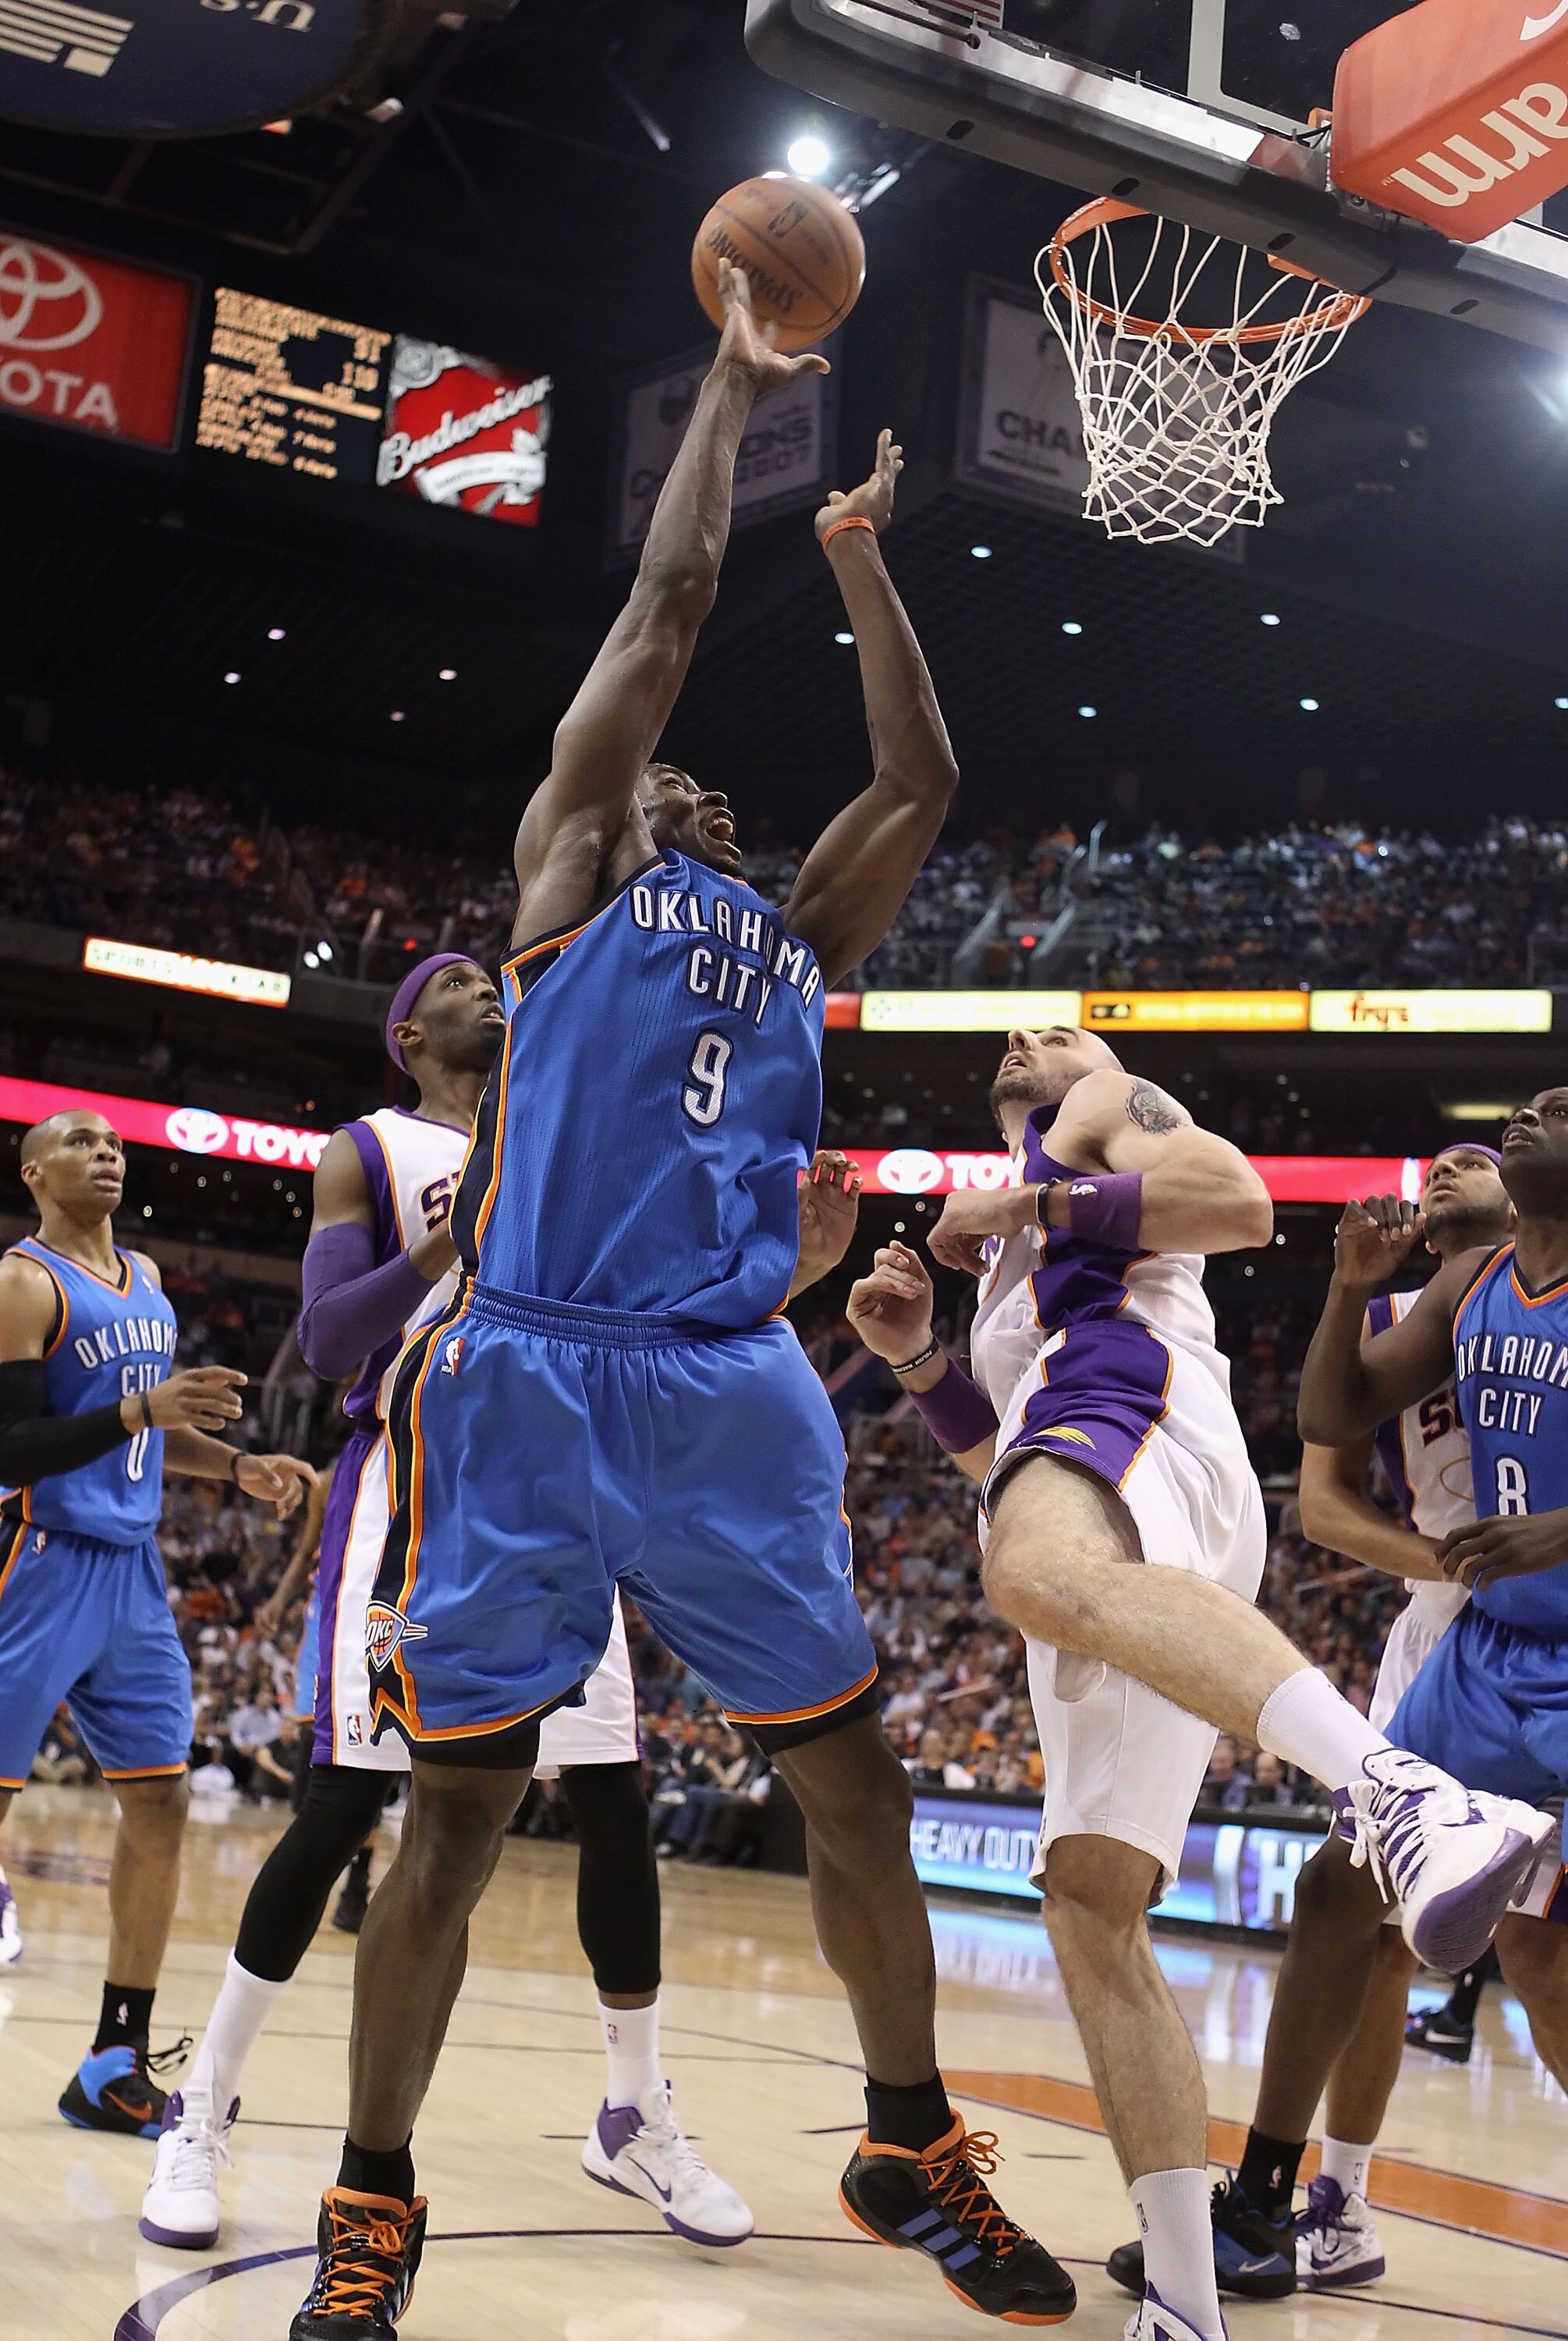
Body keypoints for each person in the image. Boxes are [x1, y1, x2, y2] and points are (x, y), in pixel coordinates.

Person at [293, 264, 1074, 2341]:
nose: (695, 787)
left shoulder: (799, 933)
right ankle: (373, 2198)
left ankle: (905, 2140)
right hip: (529, 1374)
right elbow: (662, 612)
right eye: (668, 783)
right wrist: (737, 397)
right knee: (458, 1816)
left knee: (856, 1788)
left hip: (729, 1386)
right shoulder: (569, 884)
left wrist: (862, 554)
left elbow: (919, 781)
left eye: (710, 793)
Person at [845, 1027, 1554, 2341]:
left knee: (1029, 1569)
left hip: (1137, 1409)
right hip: (1104, 1475)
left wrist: (1028, 1202)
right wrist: (917, 1362)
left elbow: (1236, 1203)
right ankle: (1184, 2302)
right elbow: (1009, 1466)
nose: (1027, 1037)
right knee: (1089, 1905)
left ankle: (1403, 1793)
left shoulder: (1103, 1105)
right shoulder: (1014, 1253)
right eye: (1020, 1034)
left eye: (1057, 1028)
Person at [145, 957, 864, 2252]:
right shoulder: (370, 1149)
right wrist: (459, 1220)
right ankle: (205, 2106)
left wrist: (791, 1278)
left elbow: (664, 1315)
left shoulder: (574, 1128)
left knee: (613, 1794)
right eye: (457, 981)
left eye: (497, 974)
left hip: (565, 1472)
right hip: (424, 1475)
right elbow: (327, 1341)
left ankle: (632, 2114)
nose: (490, 987)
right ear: (407, 1035)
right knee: (344, 1805)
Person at [1113, 1106, 1568, 2312]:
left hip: (1535, 1609)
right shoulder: (1462, 1287)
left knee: (1542, 1957)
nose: (1522, 1118)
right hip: (1477, 1636)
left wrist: (1553, 1535)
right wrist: (1347, 1285)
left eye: (1554, 1110)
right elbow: (1326, 1438)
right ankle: (1273, 2201)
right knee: (1343, 1893)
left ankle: (1334, 2198)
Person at [0, 1108, 313, 2133]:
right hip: (39, 1560)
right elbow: (14, 1447)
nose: (105, 1153)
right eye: (80, 1141)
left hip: (132, 1575)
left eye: (115, 1144)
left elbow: (144, 1436)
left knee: (163, 1802)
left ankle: (113, 2063)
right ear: (34, 1171)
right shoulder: (24, 1282)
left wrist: (236, 1465)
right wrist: (142, 1411)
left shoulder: (148, 1284)